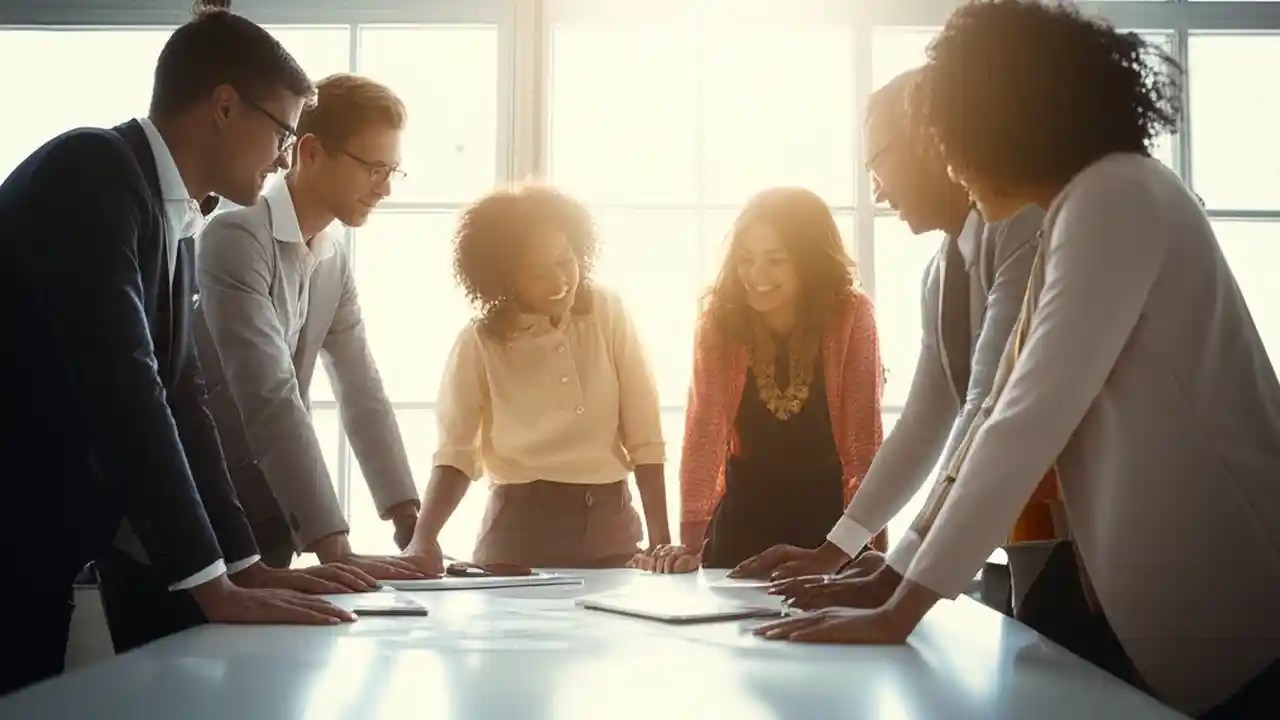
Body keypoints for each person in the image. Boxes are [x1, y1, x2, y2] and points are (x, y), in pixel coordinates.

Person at [753, 3, 1280, 718]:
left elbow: (1023, 419)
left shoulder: (1114, 197)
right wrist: (895, 573)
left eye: (945, 134)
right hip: (1196, 607)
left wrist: (901, 607)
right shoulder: (1081, 205)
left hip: (1245, 598)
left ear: (997, 117)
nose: (944, 158)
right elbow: (996, 402)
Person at [0, 8, 377, 694]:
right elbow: (126, 392)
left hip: (39, 549)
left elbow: (180, 396)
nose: (285, 158)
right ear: (226, 107)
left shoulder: (170, 217)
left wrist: (243, 563)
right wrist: (212, 586)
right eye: (284, 133)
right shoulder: (91, 172)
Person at [735, 71, 1061, 603]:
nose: (877, 189)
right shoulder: (940, 271)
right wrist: (835, 551)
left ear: (932, 143)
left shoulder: (1025, 228)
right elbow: (925, 422)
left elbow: (987, 406)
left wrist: (905, 573)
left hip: (1084, 520)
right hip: (1024, 534)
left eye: (878, 163)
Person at [195, 73, 427, 578]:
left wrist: (411, 521)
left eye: (393, 171)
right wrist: (335, 546)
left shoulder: (332, 259)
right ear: (312, 151)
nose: (386, 188)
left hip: (266, 518)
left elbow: (362, 389)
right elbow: (269, 394)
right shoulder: (236, 235)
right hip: (193, 520)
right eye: (374, 169)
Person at [399, 185, 670, 571]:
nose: (559, 282)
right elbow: (456, 455)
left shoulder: (607, 313)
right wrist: (422, 540)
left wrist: (662, 544)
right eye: (537, 273)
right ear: (506, 278)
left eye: (565, 262)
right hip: (518, 538)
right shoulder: (480, 341)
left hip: (614, 532)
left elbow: (645, 437)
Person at [634, 187, 885, 574]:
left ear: (809, 261)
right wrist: (691, 543)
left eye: (775, 260)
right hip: (742, 522)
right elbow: (703, 435)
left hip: (829, 529)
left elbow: (863, 442)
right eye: (746, 260)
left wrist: (872, 544)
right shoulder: (719, 322)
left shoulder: (851, 314)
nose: (756, 276)